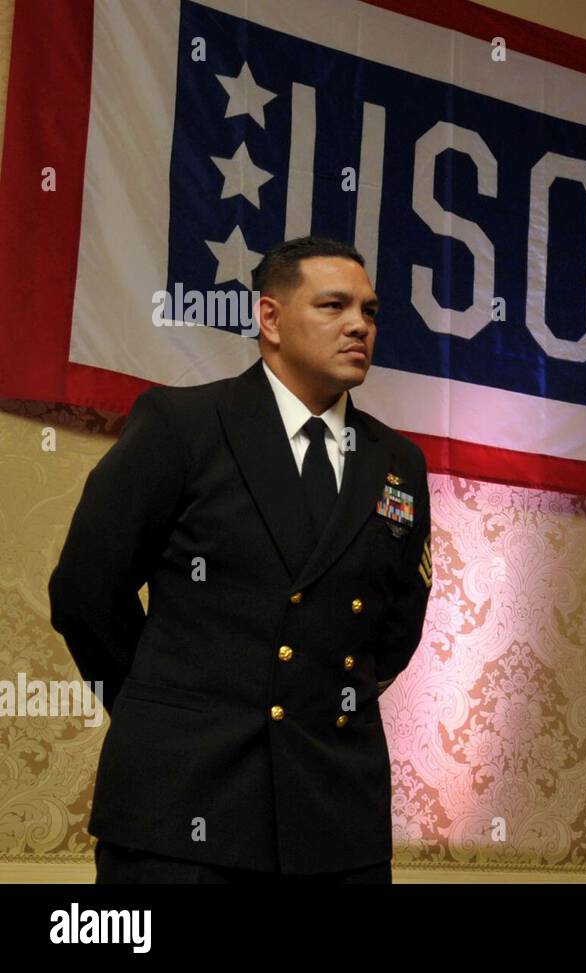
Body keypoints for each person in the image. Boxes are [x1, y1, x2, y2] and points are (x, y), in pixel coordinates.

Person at [49, 236, 433, 883]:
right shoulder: (183, 424)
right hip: (184, 807)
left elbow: (395, 626)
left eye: (369, 311)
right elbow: (87, 592)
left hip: (335, 815)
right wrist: (163, 707)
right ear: (271, 319)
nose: (359, 326)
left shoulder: (397, 461)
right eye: (334, 305)